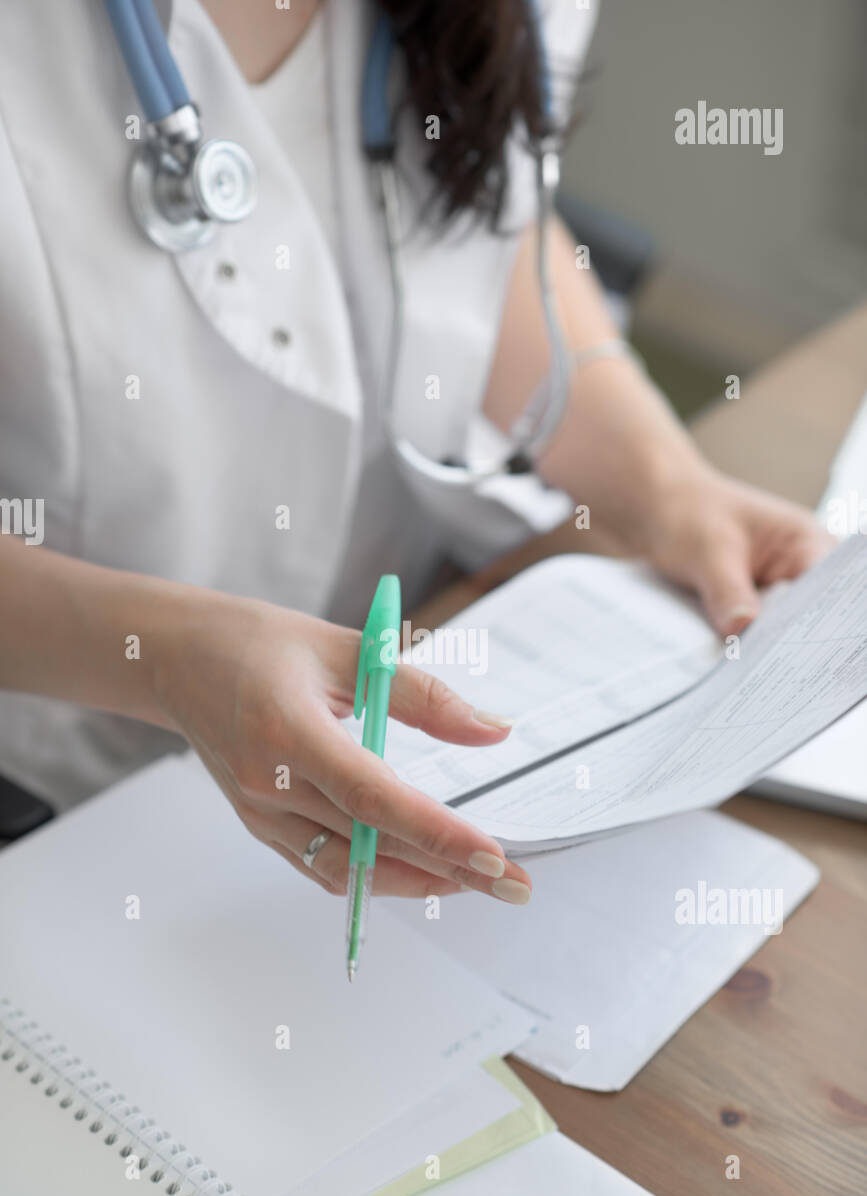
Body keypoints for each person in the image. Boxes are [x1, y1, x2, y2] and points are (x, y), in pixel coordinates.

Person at [0, 0, 825, 907]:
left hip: (431, 632)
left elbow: (486, 222)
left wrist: (663, 480)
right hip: (74, 776)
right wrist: (166, 657)